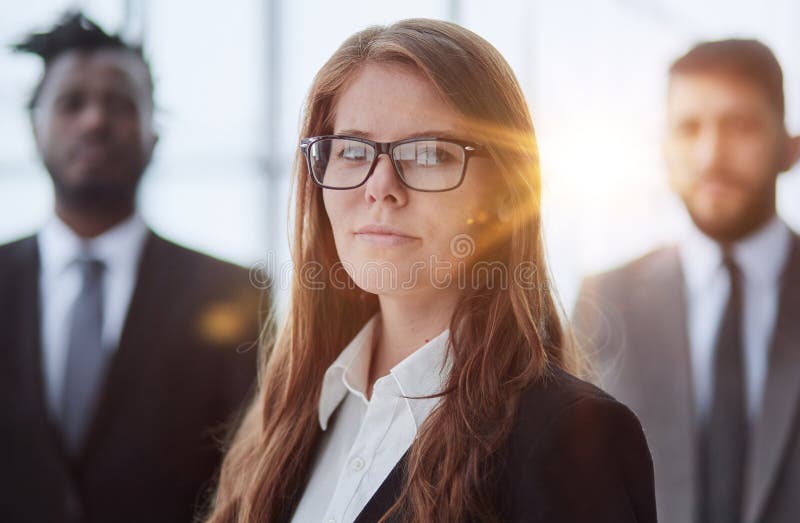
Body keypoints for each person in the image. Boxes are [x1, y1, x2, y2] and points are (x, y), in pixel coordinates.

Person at [204, 18, 655, 523]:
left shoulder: (570, 439)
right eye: (352, 150)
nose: (380, 186)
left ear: (506, 192)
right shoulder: (279, 424)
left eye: (428, 153)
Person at [0, 12, 266, 523]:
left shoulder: (238, 295)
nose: (95, 121)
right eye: (71, 102)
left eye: (120, 104)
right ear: (34, 127)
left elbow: (252, 476)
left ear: (154, 132)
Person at [573, 39, 800, 523]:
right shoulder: (604, 299)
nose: (711, 154)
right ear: (663, 149)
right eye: (688, 128)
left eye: (739, 126)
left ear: (789, 147)